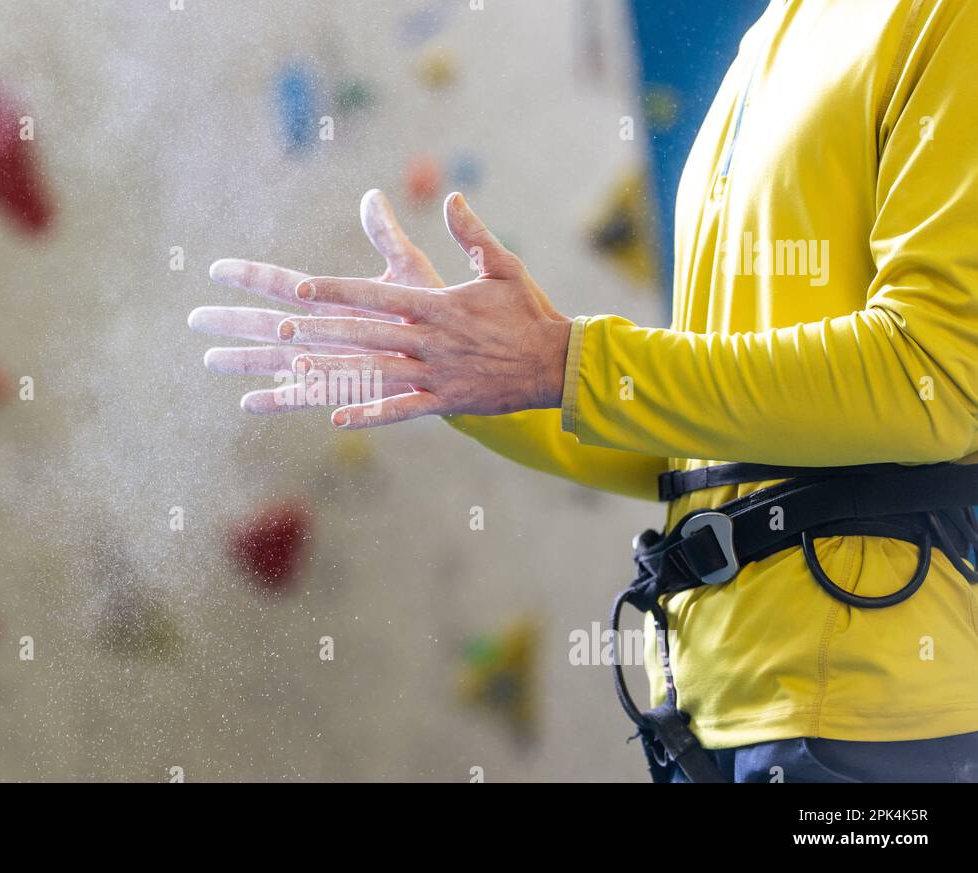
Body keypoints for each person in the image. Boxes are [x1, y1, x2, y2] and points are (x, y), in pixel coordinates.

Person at [188, 0, 978, 782]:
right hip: (720, 716)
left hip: (872, 712)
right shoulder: (769, 39)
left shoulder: (946, 20)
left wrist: (565, 361)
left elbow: (937, 378)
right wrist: (472, 372)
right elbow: (706, 437)